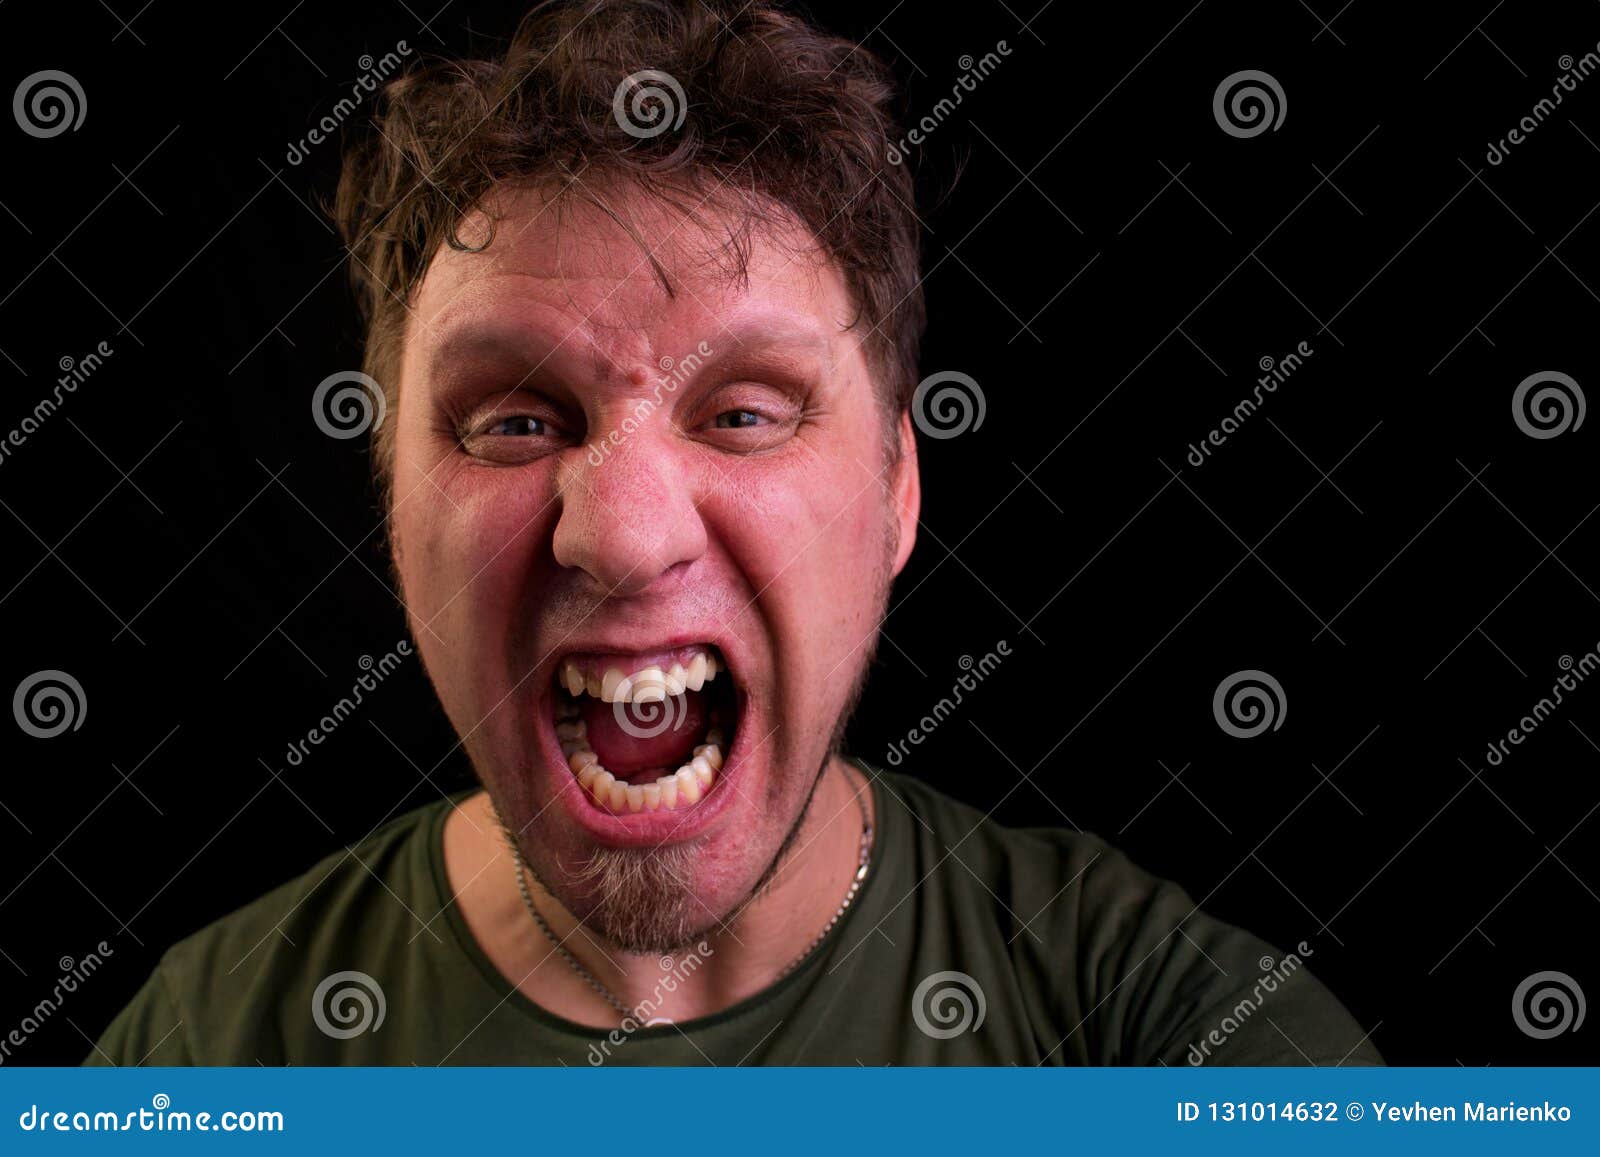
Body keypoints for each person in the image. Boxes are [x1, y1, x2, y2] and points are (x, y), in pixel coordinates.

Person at [89, 0, 1380, 1066]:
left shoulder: (1161, 1034)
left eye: (746, 410)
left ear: (895, 492)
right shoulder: (213, 1048)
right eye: (515, 424)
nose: (625, 536)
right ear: (391, 503)